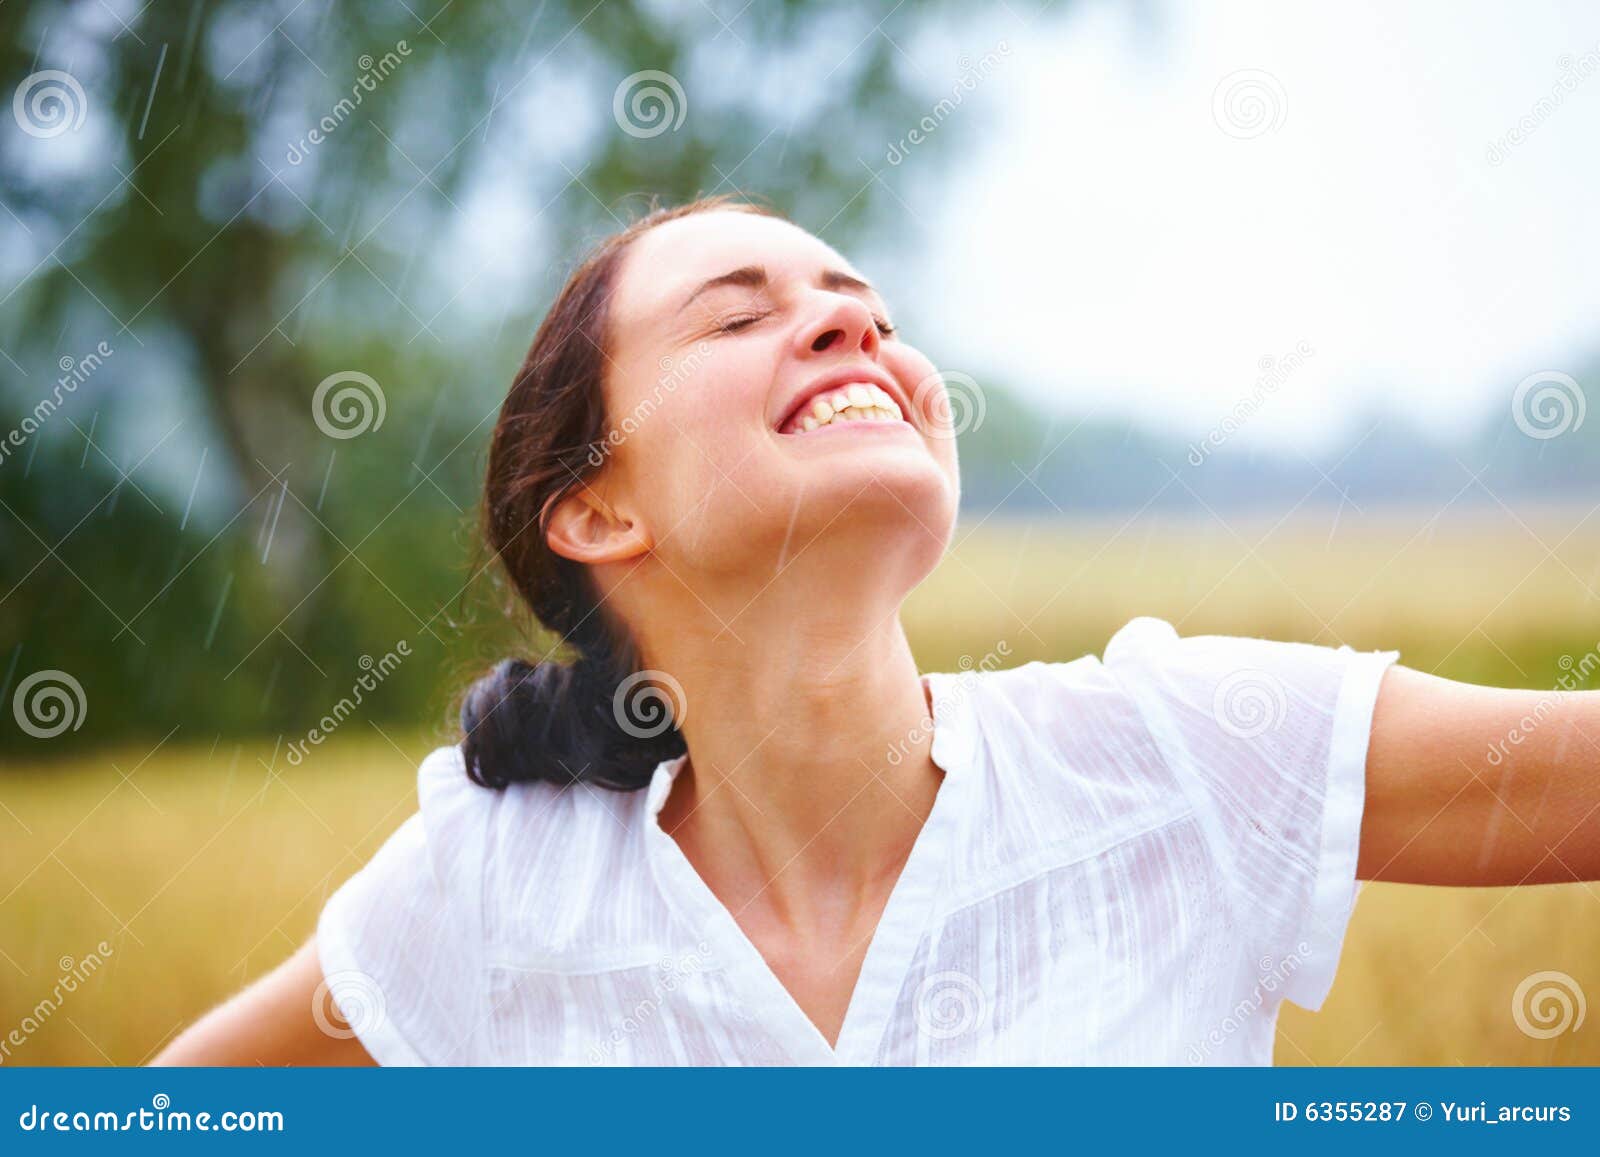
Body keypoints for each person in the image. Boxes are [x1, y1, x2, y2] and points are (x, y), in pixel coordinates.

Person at [153, 197, 1600, 1066]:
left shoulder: (1189, 746)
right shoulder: (489, 878)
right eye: (739, 317)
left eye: (869, 311)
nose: (854, 333)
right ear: (594, 509)